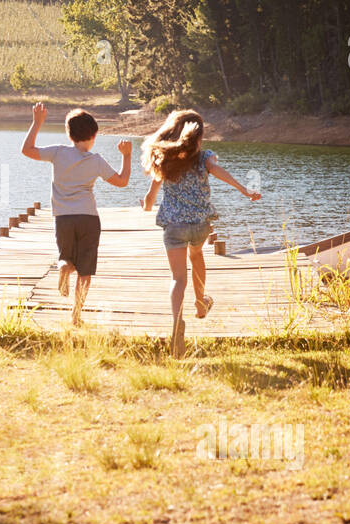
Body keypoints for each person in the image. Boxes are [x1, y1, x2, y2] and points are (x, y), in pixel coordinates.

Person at [140, 109, 261, 355]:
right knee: (196, 255)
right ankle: (200, 302)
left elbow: (150, 197)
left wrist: (148, 203)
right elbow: (219, 172)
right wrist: (244, 190)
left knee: (177, 278)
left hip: (173, 226)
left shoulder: (166, 159)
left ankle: (176, 323)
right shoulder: (204, 157)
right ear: (198, 136)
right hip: (199, 226)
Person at [21, 103, 131, 326]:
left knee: (67, 258)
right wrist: (126, 156)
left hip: (63, 218)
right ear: (94, 135)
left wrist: (37, 122)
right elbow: (122, 181)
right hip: (89, 218)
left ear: (69, 134)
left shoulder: (58, 153)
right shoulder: (96, 161)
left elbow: (27, 150)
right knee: (85, 271)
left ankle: (63, 265)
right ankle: (76, 314)